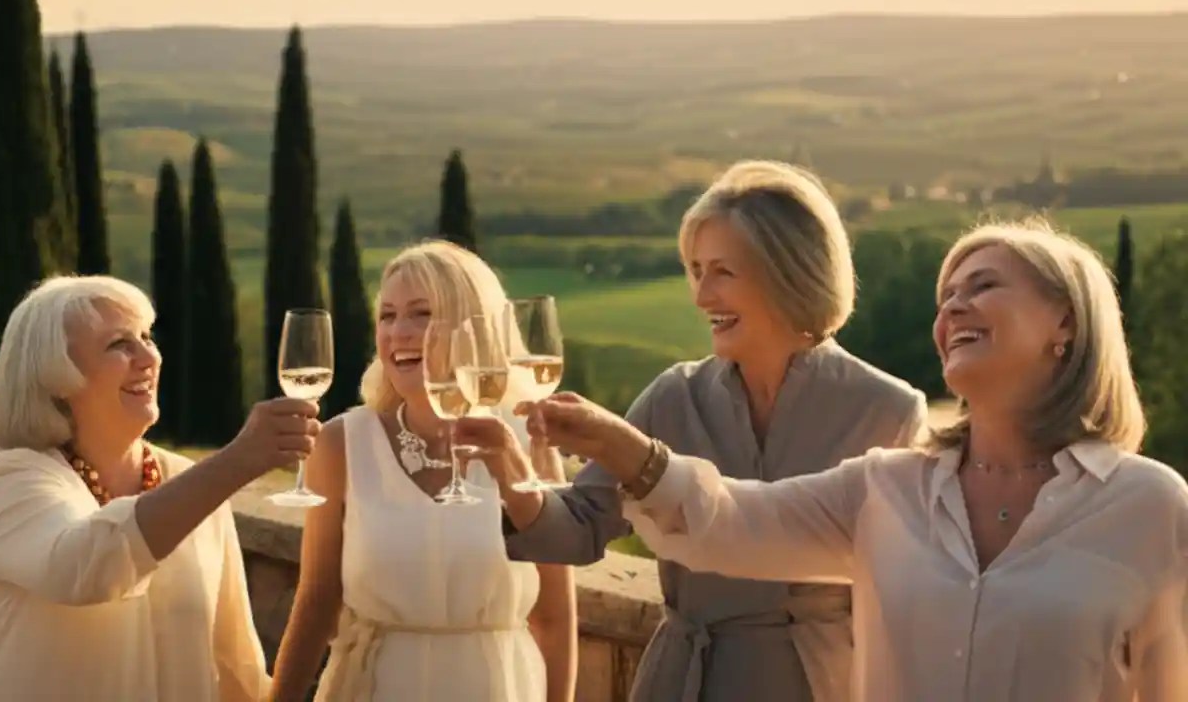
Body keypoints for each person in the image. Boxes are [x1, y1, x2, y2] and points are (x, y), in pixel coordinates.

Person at [527, 221, 1188, 701]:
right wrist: (621, 447)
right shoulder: (886, 488)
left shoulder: (1149, 506)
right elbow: (728, 519)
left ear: (1065, 324)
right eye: (945, 296)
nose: (952, 305)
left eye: (981, 286)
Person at [494, 160, 927, 701]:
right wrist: (505, 471)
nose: (701, 298)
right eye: (696, 271)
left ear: (788, 271)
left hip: (817, 685)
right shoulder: (673, 397)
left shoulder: (887, 410)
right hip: (684, 681)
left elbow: (909, 599)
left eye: (723, 272)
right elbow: (579, 529)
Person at [0, 275, 320, 702]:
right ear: (55, 379)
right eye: (119, 344)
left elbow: (234, 662)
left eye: (147, 337)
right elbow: (83, 567)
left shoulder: (189, 482)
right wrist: (236, 461)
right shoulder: (11, 485)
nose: (149, 358)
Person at [270, 240, 577, 702]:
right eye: (387, 316)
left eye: (421, 314)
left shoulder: (527, 444)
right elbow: (316, 600)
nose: (399, 333)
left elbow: (554, 617)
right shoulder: (340, 444)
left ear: (473, 328)